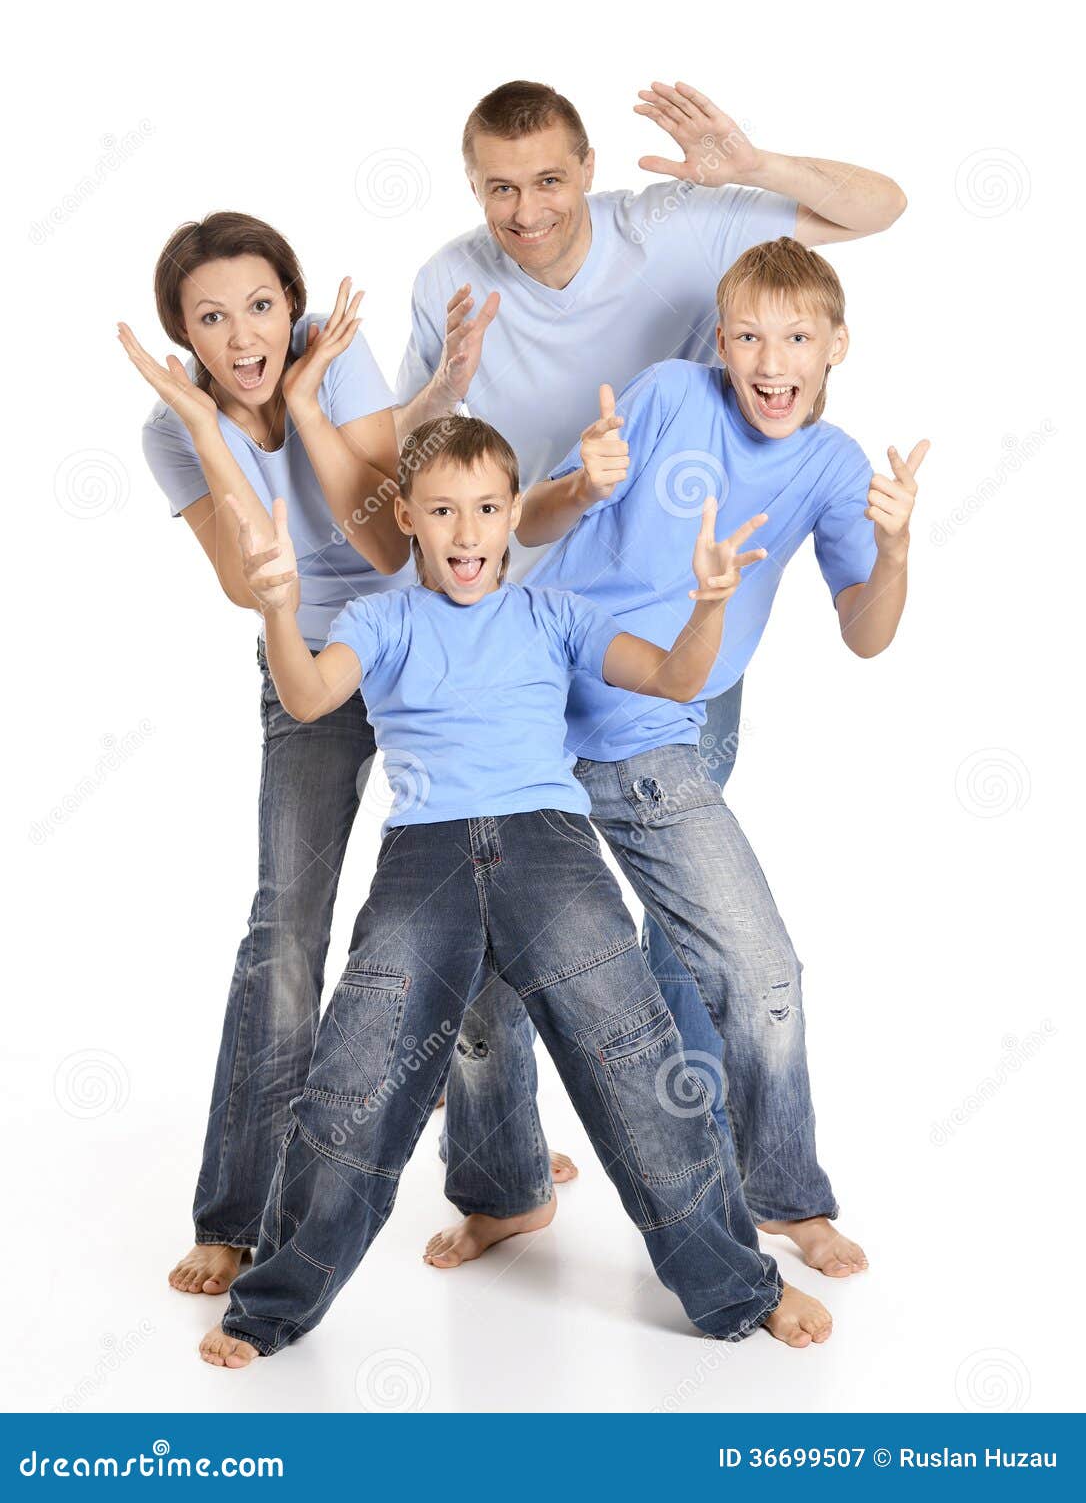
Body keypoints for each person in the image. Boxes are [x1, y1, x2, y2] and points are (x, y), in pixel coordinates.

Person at [198, 414, 836, 1367]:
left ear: (511, 516)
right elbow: (307, 698)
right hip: (425, 864)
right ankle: (271, 1308)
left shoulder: (553, 612)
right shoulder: (382, 618)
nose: (467, 534)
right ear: (406, 517)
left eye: (489, 510)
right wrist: (279, 610)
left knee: (639, 1071)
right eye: (444, 511)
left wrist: (708, 605)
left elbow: (670, 677)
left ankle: (742, 1287)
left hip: (551, 852)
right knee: (352, 1084)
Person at [394, 78, 907, 1207]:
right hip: (520, 660)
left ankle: (732, 1173)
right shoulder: (467, 289)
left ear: (589, 170)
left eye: (548, 179)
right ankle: (503, 1182)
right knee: (484, 959)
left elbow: (879, 207)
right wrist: (563, 475)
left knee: (714, 946)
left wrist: (753, 162)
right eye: (499, 187)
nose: (525, 209)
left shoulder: (674, 236)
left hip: (665, 701)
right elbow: (425, 475)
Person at [129, 212, 421, 1298]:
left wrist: (303, 404)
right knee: (286, 922)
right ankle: (235, 1207)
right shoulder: (172, 429)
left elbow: (391, 542)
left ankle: (498, 1165)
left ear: (290, 305)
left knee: (479, 888)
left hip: (420, 641)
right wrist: (211, 432)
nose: (242, 333)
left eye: (259, 306)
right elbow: (246, 580)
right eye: (211, 318)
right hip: (303, 655)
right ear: (186, 337)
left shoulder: (335, 367)